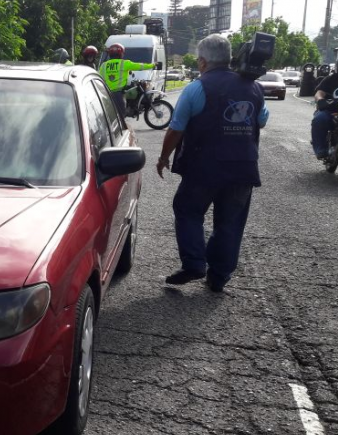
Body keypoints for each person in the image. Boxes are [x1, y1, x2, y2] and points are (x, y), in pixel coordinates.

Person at [155, 34, 269, 293]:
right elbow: (261, 120)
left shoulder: (197, 88)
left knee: (187, 210)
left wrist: (163, 158)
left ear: (203, 61)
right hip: (242, 167)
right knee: (230, 223)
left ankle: (195, 262)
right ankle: (218, 276)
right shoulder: (254, 88)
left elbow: (176, 129)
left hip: (203, 168)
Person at [99, 43, 156, 114]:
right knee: (121, 115)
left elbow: (99, 78)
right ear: (121, 53)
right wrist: (153, 65)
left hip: (106, 94)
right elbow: (140, 66)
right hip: (118, 94)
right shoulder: (124, 63)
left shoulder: (103, 65)